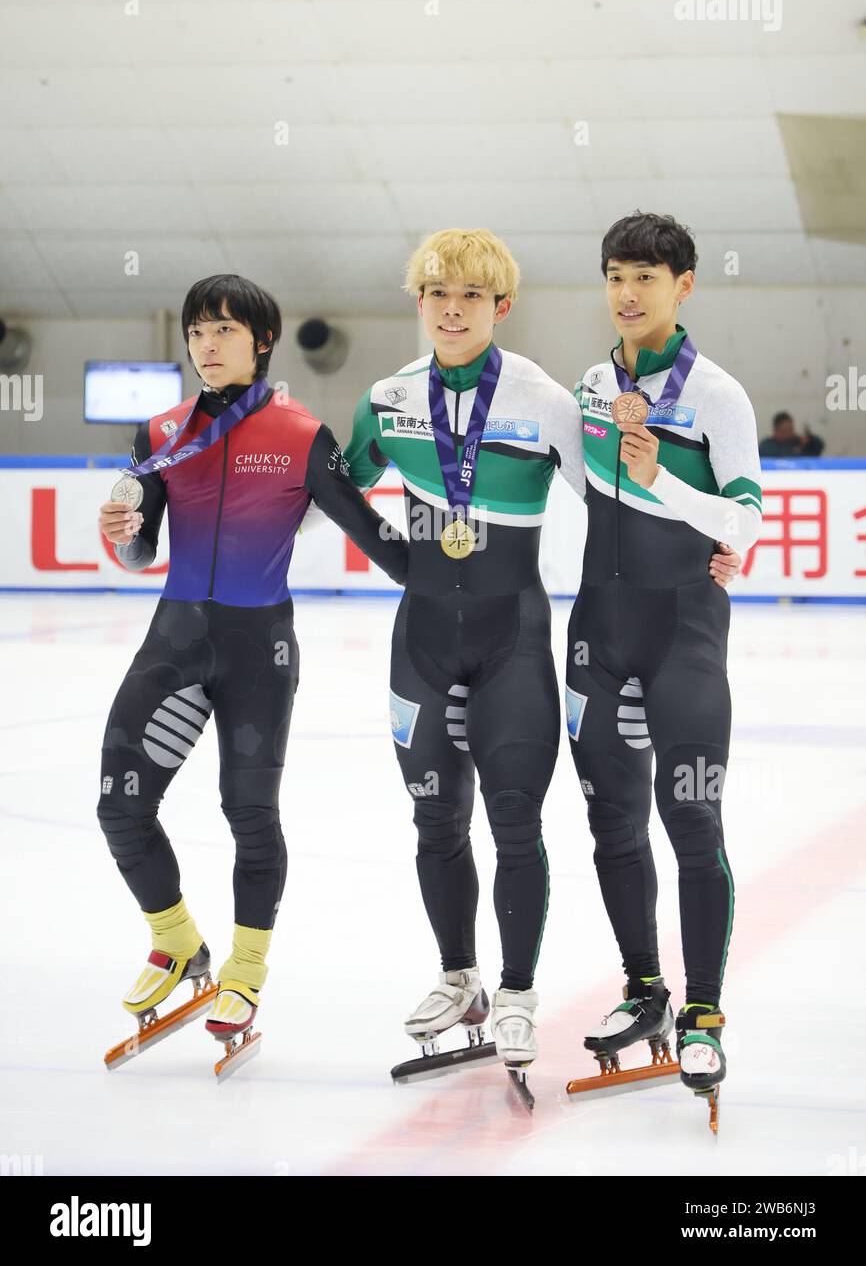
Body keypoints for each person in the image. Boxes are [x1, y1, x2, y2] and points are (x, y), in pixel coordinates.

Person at [340, 228, 741, 1082]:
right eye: (437, 294)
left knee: (546, 815)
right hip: (436, 635)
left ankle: (539, 996)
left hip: (532, 634)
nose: (452, 310)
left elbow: (622, 494)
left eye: (471, 297)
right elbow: (334, 485)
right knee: (446, 818)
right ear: (419, 302)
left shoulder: (551, 398)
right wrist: (389, 552)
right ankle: (471, 980)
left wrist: (712, 534)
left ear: (500, 306)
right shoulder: (392, 397)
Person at [97, 274, 408, 1058]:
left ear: (262, 341)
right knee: (119, 806)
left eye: (226, 330)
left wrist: (464, 569)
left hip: (257, 650)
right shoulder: (159, 433)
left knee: (250, 815)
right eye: (199, 329)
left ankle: (244, 967)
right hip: (174, 643)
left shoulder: (304, 435)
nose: (208, 343)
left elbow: (378, 543)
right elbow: (141, 551)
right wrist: (123, 532)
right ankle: (177, 943)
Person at [567, 212, 761, 1114]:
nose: (628, 293)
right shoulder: (588, 385)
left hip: (685, 630)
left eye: (646, 276)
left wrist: (670, 490)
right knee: (612, 823)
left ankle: (706, 1016)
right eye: (615, 276)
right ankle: (645, 987)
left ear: (684, 285)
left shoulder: (717, 394)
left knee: (692, 822)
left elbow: (746, 521)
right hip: (597, 630)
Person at [759, 411, 825, 458]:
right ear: (776, 431)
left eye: (791, 429)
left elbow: (819, 447)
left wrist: (810, 439)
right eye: (786, 430)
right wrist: (792, 453)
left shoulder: (798, 442)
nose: (791, 432)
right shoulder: (767, 445)